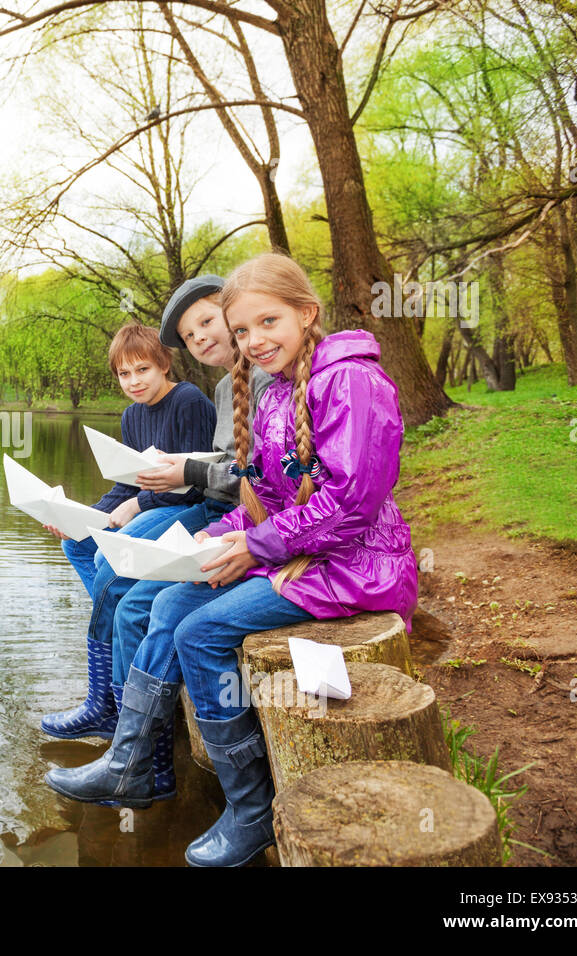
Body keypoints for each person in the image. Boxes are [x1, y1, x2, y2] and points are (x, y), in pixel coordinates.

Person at [44, 253, 418, 867]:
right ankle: (133, 764)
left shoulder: (351, 380)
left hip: (353, 563)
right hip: (292, 551)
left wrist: (255, 546)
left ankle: (250, 810)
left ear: (306, 312)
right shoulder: (271, 391)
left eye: (267, 322)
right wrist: (215, 537)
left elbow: (351, 502)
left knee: (200, 632)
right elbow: (261, 497)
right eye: (243, 331)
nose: (254, 341)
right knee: (167, 601)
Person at [39, 276, 270, 803]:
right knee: (82, 545)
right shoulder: (221, 387)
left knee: (124, 581)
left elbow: (209, 480)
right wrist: (82, 513)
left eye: (209, 323)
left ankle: (134, 745)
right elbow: (146, 477)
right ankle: (122, 727)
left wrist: (140, 503)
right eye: (192, 334)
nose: (203, 338)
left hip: (204, 513)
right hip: (217, 513)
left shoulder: (199, 396)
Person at [44, 322, 216, 596]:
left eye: (142, 369)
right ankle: (114, 623)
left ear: (164, 364)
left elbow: (200, 483)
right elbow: (127, 485)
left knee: (109, 556)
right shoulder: (131, 416)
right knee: (76, 544)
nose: (133, 381)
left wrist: (137, 504)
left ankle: (116, 626)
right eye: (124, 374)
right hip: (152, 505)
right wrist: (79, 519)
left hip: (192, 507)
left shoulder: (187, 400)